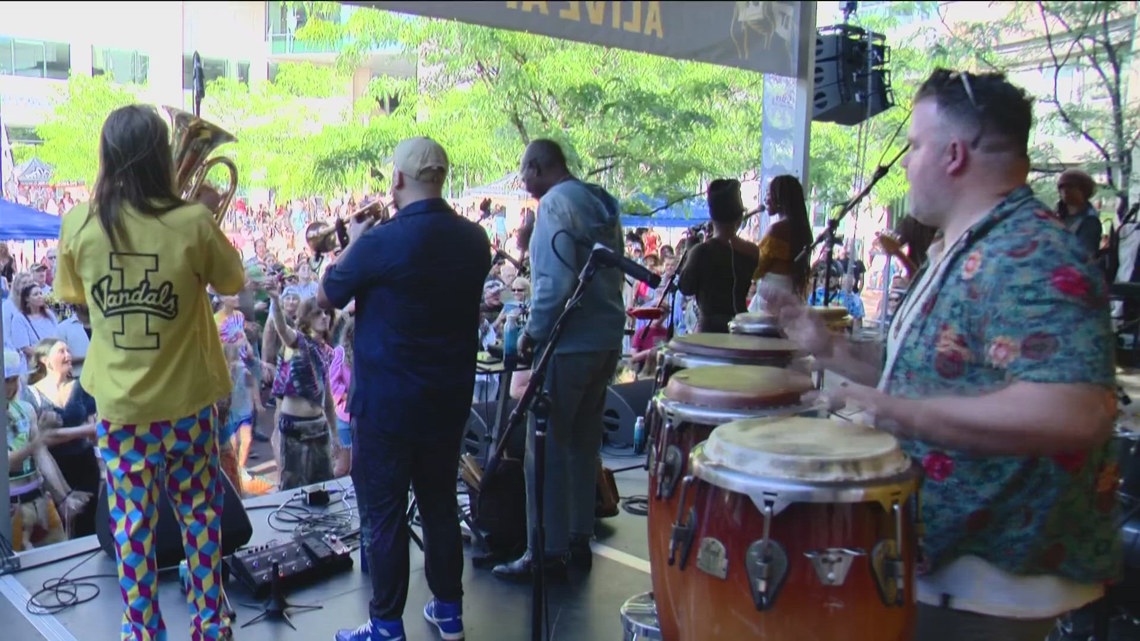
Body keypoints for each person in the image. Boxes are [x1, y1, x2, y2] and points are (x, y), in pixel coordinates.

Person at [763, 69, 1120, 641]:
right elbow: (931, 372)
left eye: (915, 146)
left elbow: (1074, 412)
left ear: (953, 154)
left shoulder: (1029, 252)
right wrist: (830, 348)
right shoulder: (965, 244)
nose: (906, 162)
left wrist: (895, 411)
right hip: (943, 558)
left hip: (988, 578)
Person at [52, 104, 245, 641]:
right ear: (163, 158)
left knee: (133, 529)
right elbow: (232, 282)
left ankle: (141, 631)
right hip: (187, 407)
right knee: (201, 519)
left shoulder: (78, 224)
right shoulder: (192, 222)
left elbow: (76, 299)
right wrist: (202, 218)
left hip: (121, 412)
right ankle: (212, 625)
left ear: (106, 159)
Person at [320, 137, 490, 641]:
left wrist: (353, 239)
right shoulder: (474, 240)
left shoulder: (380, 241)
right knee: (440, 504)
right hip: (448, 398)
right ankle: (449, 613)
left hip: (388, 404)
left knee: (386, 512)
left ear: (396, 179)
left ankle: (387, 624)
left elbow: (329, 293)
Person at [492, 139, 625, 582]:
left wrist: (532, 333)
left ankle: (543, 549)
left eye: (524, 174)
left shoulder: (555, 205)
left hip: (569, 344)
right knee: (584, 443)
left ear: (536, 168)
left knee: (543, 447)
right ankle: (576, 537)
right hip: (605, 339)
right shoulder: (598, 202)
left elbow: (555, 281)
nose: (524, 183)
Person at [677, 179, 760, 333]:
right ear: (739, 218)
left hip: (708, 331)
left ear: (712, 217)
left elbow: (686, 287)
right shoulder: (753, 251)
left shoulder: (701, 251)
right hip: (740, 329)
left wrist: (690, 249)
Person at [750, 175, 814, 302]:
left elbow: (756, 269)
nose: (765, 200)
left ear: (780, 197)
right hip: (793, 298)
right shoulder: (803, 230)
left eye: (768, 194)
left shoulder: (776, 230)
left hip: (772, 299)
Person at [1056, 167, 1103, 260]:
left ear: (1083, 190)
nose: (1065, 191)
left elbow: (1085, 258)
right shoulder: (1058, 215)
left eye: (1070, 186)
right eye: (1062, 187)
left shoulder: (1089, 221)